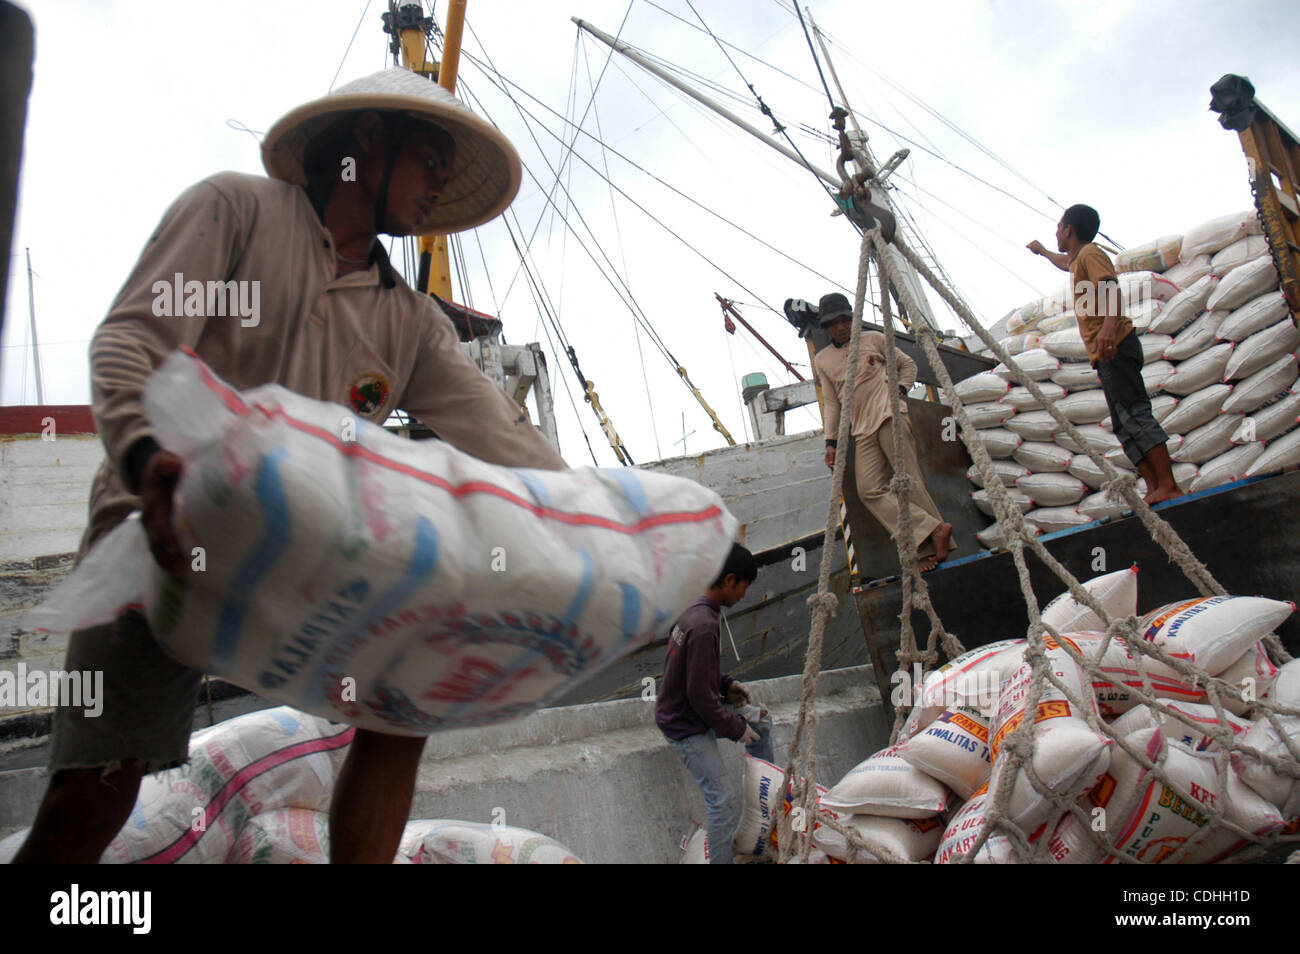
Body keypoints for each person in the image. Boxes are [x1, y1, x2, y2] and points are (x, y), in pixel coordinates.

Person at [14, 68, 566, 864]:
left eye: (448, 171)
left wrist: (618, 521)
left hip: (297, 556)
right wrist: (145, 456)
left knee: (404, 697)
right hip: (164, 528)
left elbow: (502, 435)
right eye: (429, 159)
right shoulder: (236, 212)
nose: (438, 184)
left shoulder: (406, 319)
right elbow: (132, 341)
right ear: (367, 141)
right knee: (98, 785)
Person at [1027, 204, 1182, 505]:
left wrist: (1109, 328)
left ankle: (1168, 484)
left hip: (1117, 345)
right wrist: (1045, 252)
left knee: (1136, 414)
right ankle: (1154, 488)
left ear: (1069, 229)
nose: (1056, 232)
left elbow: (1111, 288)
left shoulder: (1091, 254)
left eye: (1058, 228)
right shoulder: (1078, 260)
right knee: (1124, 424)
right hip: (1106, 353)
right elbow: (1065, 262)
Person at [814, 292, 954, 572]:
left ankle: (929, 550)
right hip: (861, 428)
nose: (841, 327)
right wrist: (830, 442)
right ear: (826, 327)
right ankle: (934, 529)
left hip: (890, 414)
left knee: (908, 480)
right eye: (835, 323)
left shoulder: (873, 339)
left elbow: (908, 365)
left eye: (845, 320)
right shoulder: (822, 359)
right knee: (869, 490)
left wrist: (899, 390)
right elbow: (831, 403)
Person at [655, 543, 773, 864]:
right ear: (730, 580)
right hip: (686, 725)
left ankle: (762, 815)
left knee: (761, 721)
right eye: (744, 588)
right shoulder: (705, 624)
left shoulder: (694, 610)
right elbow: (700, 698)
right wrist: (736, 728)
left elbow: (693, 670)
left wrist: (726, 683)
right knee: (721, 800)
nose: (744, 596)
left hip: (691, 712)